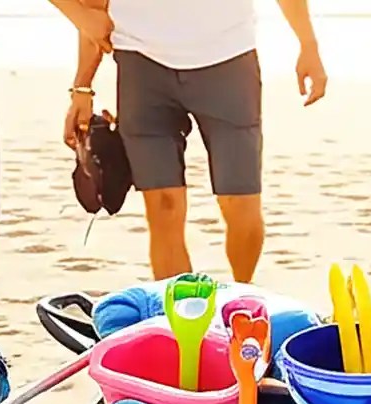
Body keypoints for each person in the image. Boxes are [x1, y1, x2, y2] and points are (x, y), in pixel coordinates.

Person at [48, 0, 328, 283]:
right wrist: (82, 87)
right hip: (140, 64)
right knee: (163, 207)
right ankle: (182, 313)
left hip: (228, 58)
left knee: (240, 203)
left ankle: (242, 298)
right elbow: (95, 7)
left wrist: (308, 44)